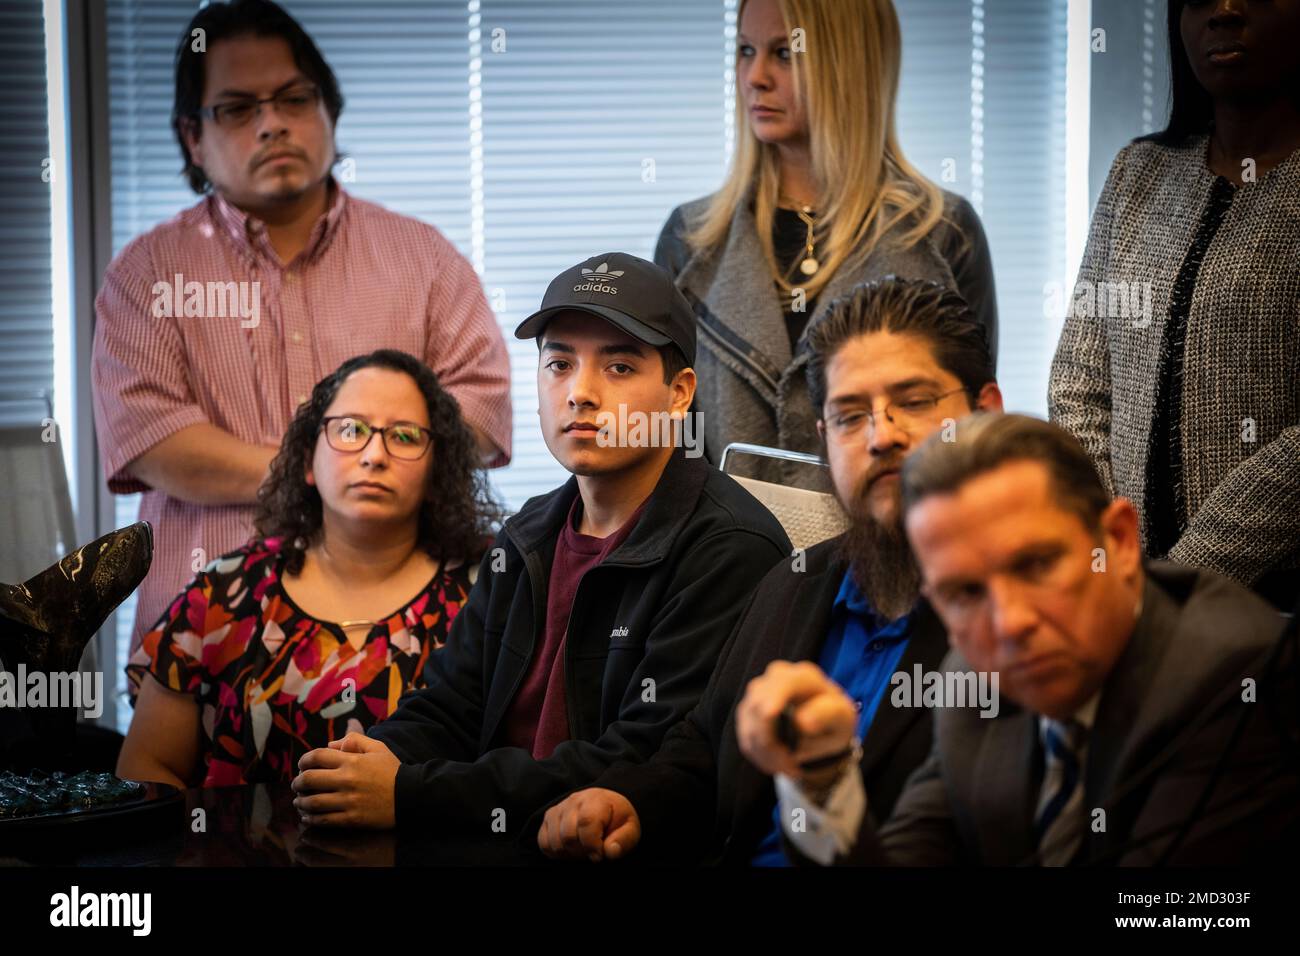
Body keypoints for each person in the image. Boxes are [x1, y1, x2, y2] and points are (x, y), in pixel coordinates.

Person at [289, 254, 792, 834]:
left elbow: (642, 762)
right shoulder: (529, 533)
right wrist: (370, 762)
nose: (580, 392)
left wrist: (411, 793)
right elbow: (452, 702)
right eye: (558, 363)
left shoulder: (729, 548)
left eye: (620, 368)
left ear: (679, 395)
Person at [91, 0, 512, 657]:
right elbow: (152, 440)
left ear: (329, 110)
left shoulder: (424, 258)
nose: (272, 125)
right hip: (203, 641)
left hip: (409, 642)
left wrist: (338, 467)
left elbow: (479, 418)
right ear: (192, 138)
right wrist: (344, 469)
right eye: (237, 108)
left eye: (293, 98)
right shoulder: (147, 273)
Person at [537, 277, 1004, 865]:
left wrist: (824, 782)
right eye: (850, 415)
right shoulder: (798, 580)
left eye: (913, 402)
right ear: (823, 440)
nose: (881, 435)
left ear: (986, 412)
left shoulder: (1028, 615)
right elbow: (705, 746)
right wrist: (629, 802)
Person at [766, 414, 1298, 865]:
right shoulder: (972, 681)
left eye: (1038, 565)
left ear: (1118, 541)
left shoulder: (1238, 677)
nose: (1010, 622)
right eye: (965, 592)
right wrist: (822, 772)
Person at [656, 0, 997, 490]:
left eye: (784, 54)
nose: (755, 76)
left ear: (849, 62)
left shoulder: (944, 232)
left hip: (895, 550)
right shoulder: (691, 239)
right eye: (745, 51)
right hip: (728, 558)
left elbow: (968, 434)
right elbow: (670, 440)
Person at [117, 350, 499, 787]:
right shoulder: (223, 594)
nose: (374, 455)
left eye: (405, 436)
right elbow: (146, 769)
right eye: (351, 430)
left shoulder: (487, 593)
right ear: (306, 461)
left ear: (437, 472)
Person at [1049, 0, 1300, 608]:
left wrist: (1176, 581)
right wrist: (1108, 551)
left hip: (1269, 614)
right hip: (1125, 600)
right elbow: (1077, 385)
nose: (1224, 12)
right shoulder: (1139, 173)